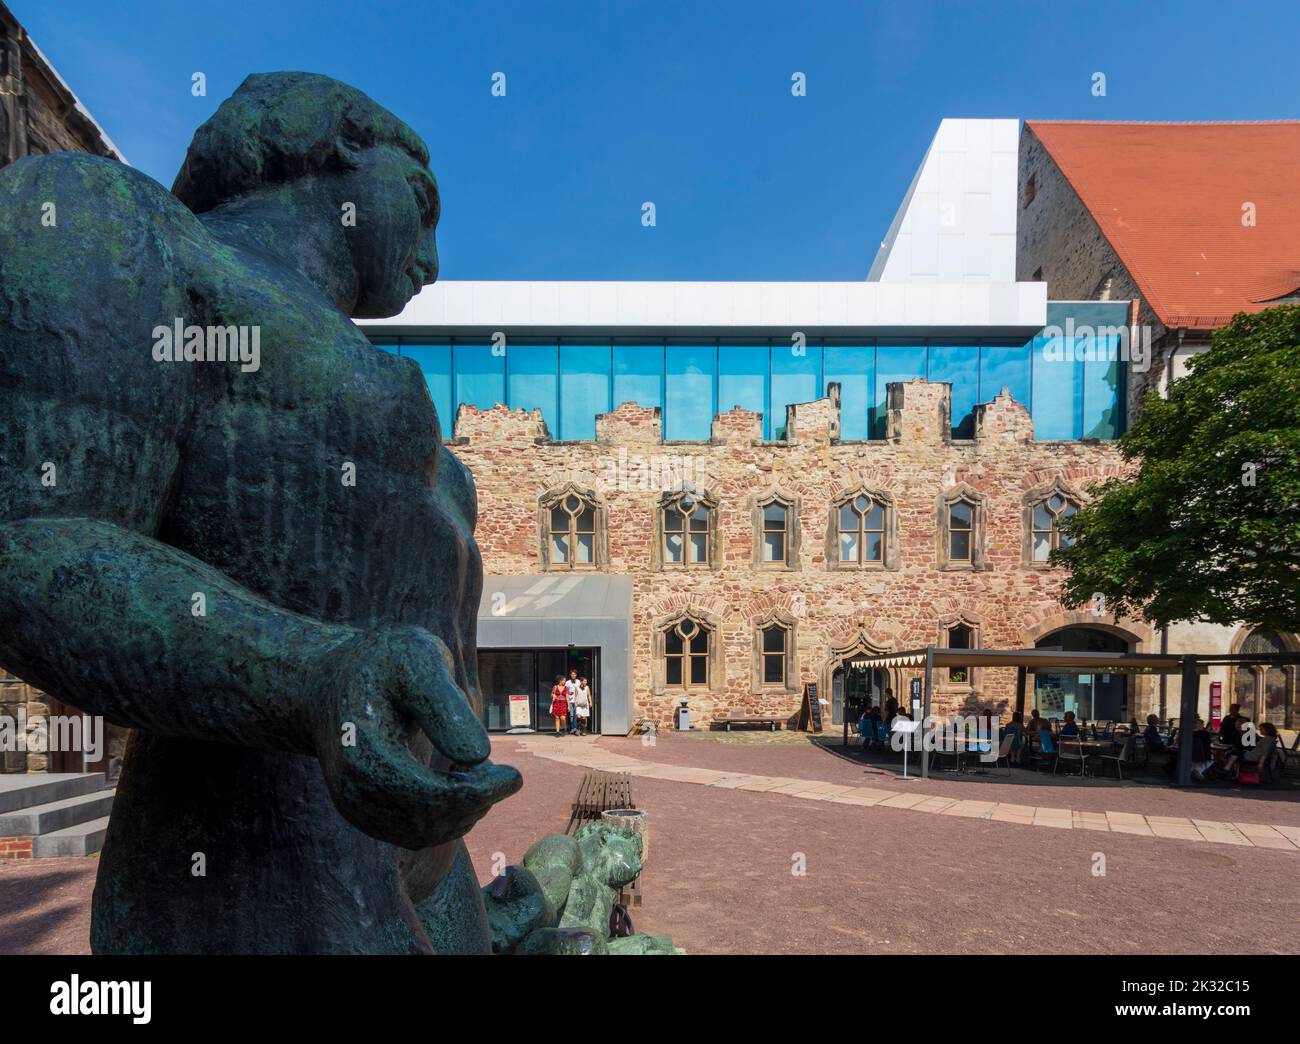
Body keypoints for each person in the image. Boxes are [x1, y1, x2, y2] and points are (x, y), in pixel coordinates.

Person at [565, 669, 580, 735]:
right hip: (570, 701)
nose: (573, 675)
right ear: (570, 675)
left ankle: (575, 729)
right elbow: (567, 693)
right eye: (572, 674)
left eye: (574, 674)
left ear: (576, 675)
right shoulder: (567, 682)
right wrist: (568, 703)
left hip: (577, 701)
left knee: (576, 715)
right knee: (571, 715)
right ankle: (572, 728)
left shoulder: (578, 682)